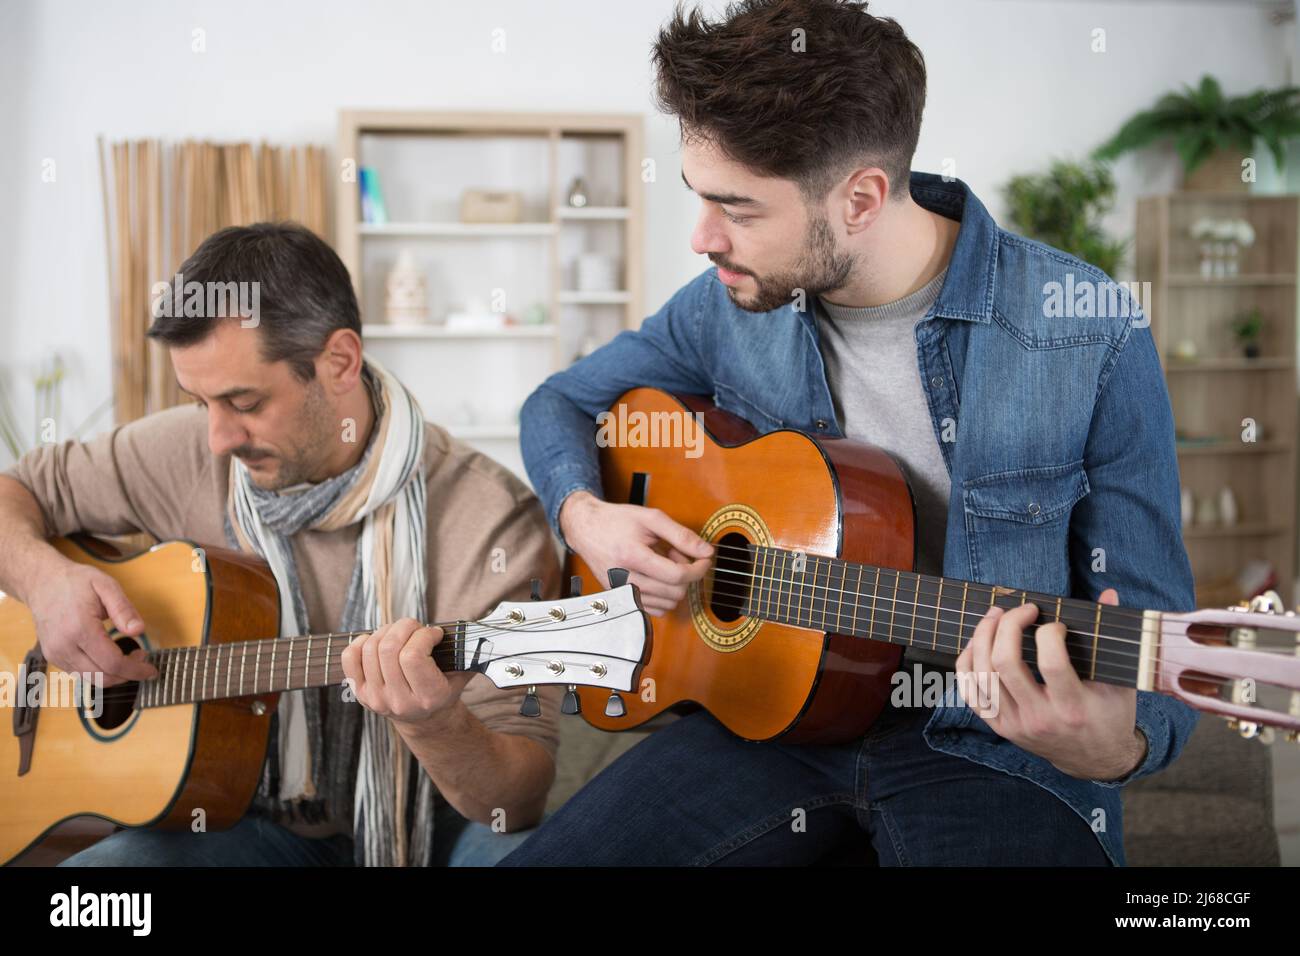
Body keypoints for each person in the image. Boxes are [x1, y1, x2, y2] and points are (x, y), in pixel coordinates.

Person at [501, 0, 1198, 866]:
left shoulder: (1089, 330)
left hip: (999, 752)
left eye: (738, 208)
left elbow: (1160, 624)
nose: (701, 237)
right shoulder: (724, 307)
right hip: (772, 719)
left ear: (862, 198)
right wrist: (584, 515)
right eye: (697, 197)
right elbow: (558, 404)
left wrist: (1113, 747)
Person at [0, 222, 562, 866]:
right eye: (201, 401)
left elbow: (515, 802)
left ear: (340, 362)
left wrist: (435, 722)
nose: (217, 438)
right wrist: (45, 583)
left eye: (244, 401)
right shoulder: (183, 451)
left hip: (433, 829)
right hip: (242, 821)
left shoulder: (489, 519)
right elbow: (16, 491)